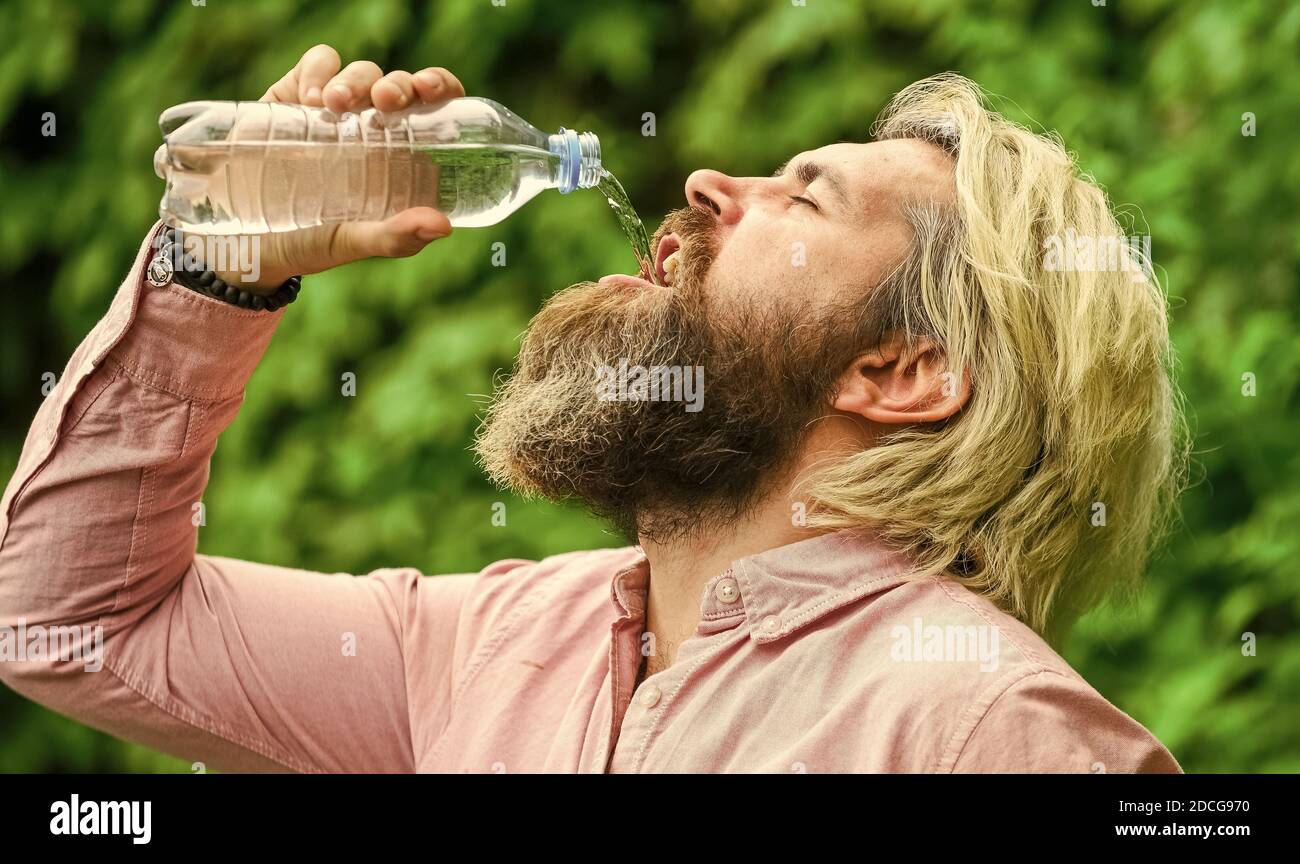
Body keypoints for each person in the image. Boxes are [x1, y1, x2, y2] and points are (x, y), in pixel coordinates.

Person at [0, 46, 1185, 773]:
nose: (711, 181)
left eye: (802, 199)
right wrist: (219, 264)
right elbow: (67, 622)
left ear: (896, 372)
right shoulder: (489, 648)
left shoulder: (992, 735)